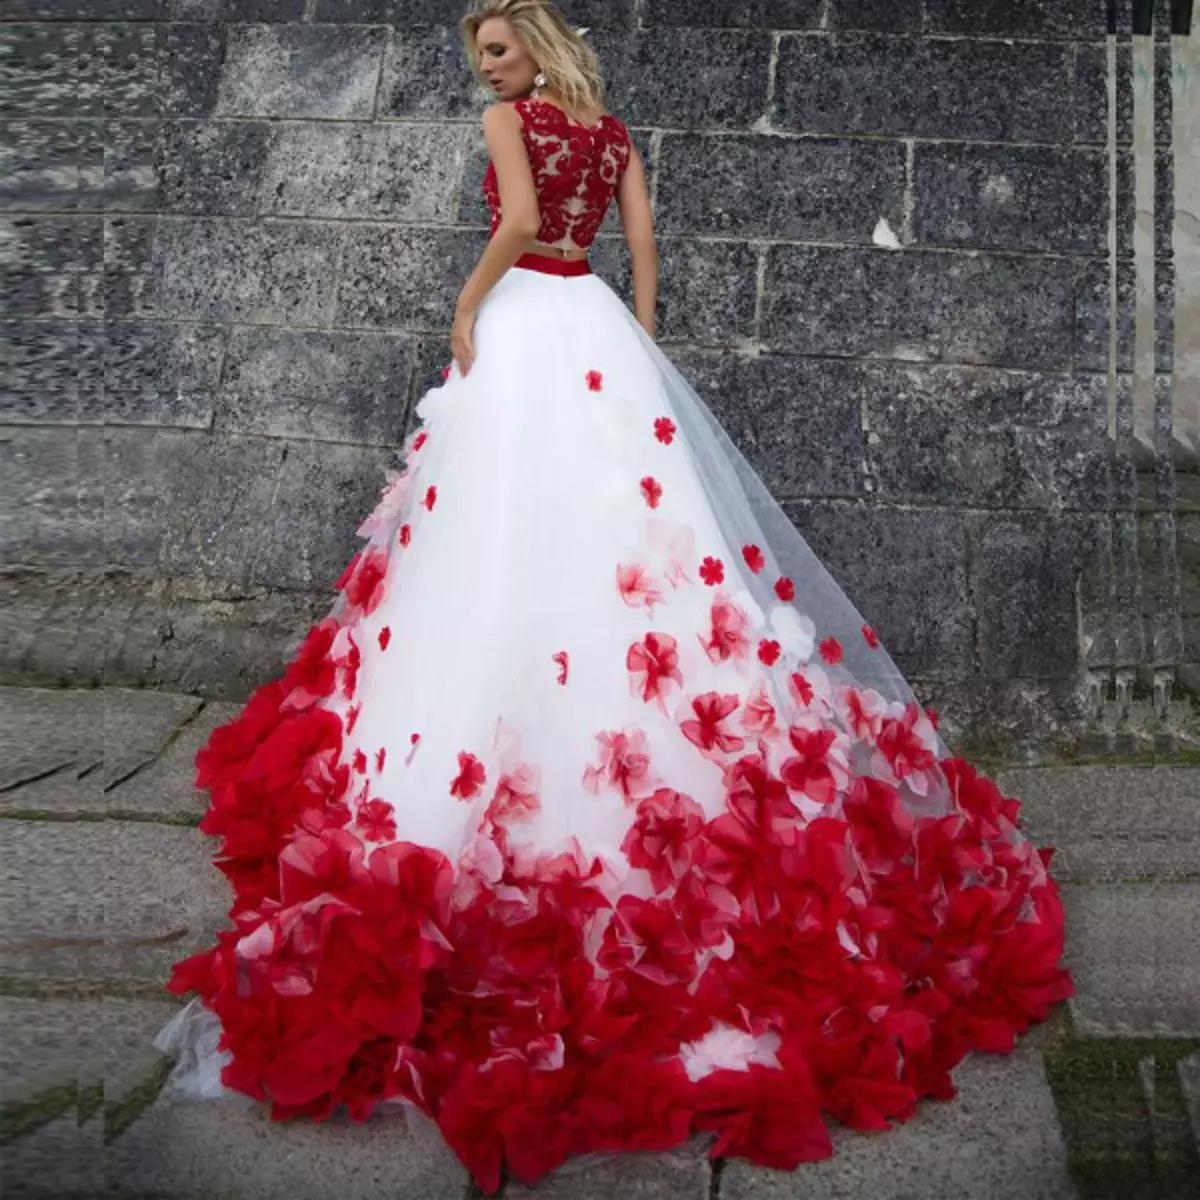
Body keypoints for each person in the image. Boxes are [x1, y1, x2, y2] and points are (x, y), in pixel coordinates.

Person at [153, 1, 1074, 1193]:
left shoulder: (507, 124)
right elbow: (639, 248)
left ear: (532, 49)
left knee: (502, 536)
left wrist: (470, 302)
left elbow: (525, 223)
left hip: (533, 314)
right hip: (593, 321)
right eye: (479, 55)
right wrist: (633, 345)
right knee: (625, 539)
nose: (483, 68)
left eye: (494, 48)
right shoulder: (615, 132)